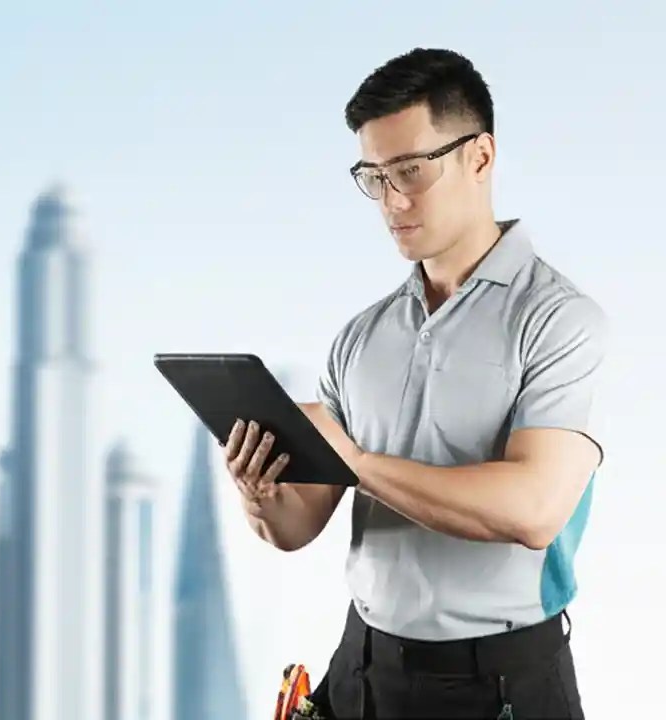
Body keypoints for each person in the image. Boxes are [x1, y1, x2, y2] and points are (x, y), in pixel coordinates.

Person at [225, 48, 607, 719]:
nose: (392, 201)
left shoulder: (557, 319)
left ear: (480, 158)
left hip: (500, 683)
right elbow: (298, 525)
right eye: (373, 177)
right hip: (362, 667)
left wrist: (357, 462)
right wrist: (260, 495)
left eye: (411, 171)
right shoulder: (361, 337)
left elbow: (533, 511)